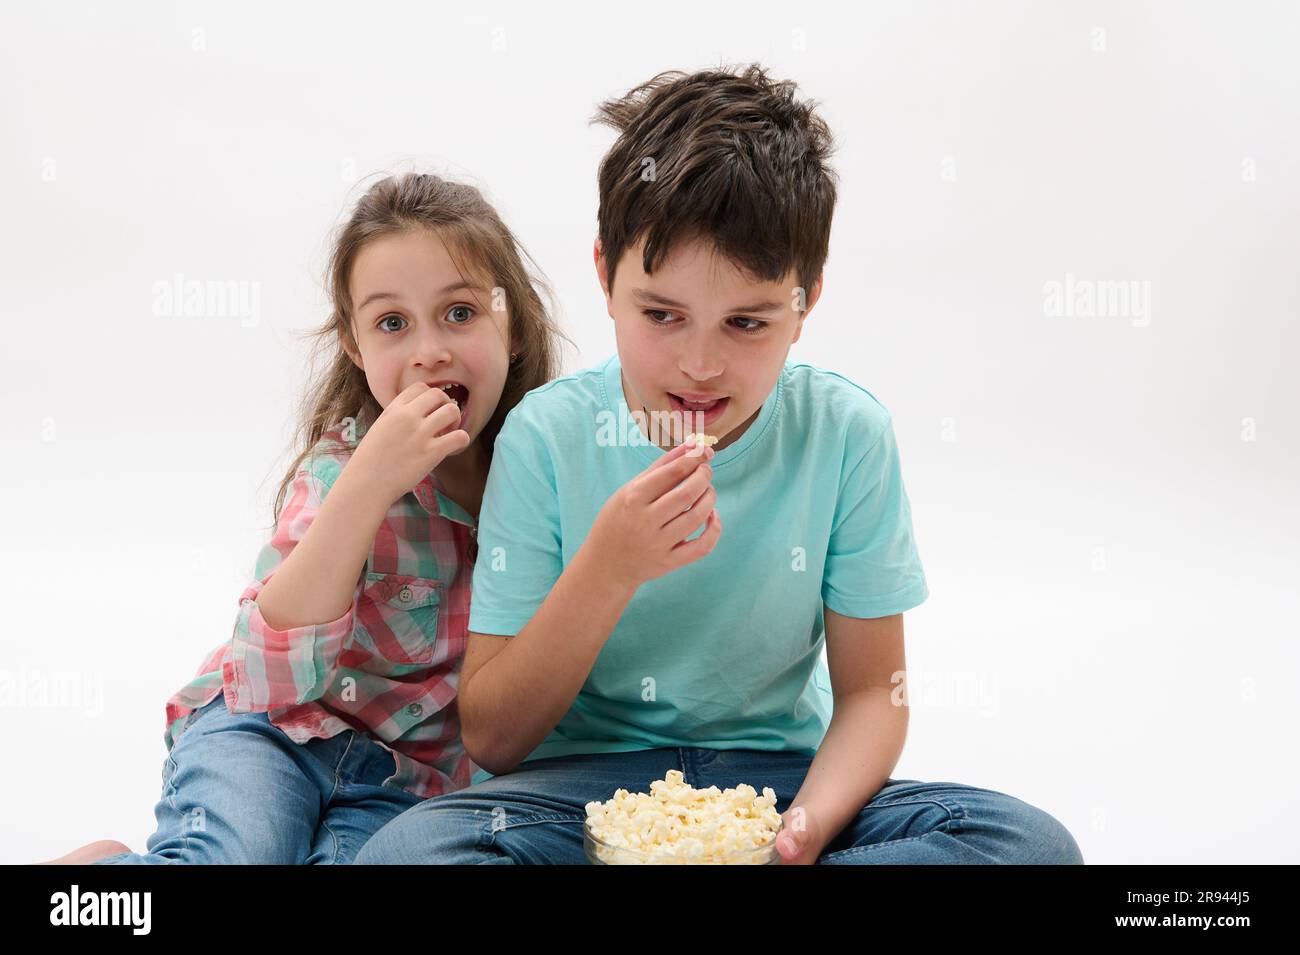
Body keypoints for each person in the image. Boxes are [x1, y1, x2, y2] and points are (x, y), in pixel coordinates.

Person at [354, 66, 1083, 865]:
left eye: (747, 321)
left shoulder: (846, 435)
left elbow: (876, 690)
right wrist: (608, 568)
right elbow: (493, 733)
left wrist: (803, 833)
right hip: (574, 799)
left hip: (781, 785)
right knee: (407, 854)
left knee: (1029, 845)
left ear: (805, 303)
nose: (700, 365)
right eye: (662, 314)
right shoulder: (546, 438)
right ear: (604, 275)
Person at [42, 171, 567, 864]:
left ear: (515, 321)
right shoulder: (341, 466)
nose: (429, 350)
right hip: (269, 736)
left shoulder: (545, 481)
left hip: (400, 783)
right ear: (356, 347)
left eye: (460, 313)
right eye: (391, 323)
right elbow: (264, 682)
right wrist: (369, 482)